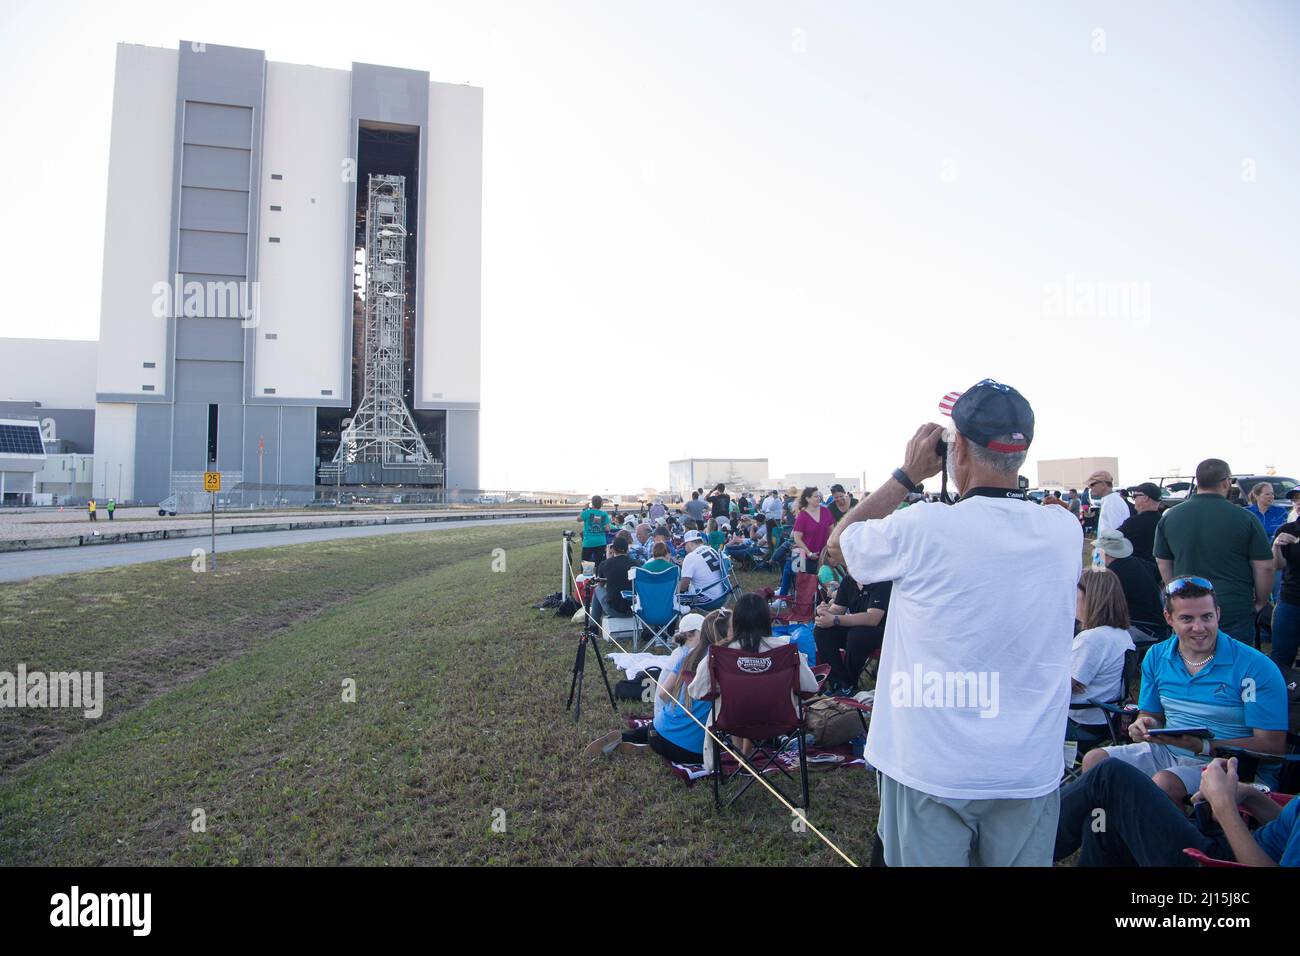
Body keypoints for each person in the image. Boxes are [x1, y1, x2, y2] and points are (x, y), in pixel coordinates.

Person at [825, 379, 1082, 866]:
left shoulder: (923, 527)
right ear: (1023, 451)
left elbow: (839, 543)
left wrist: (906, 475)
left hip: (930, 764)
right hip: (1026, 765)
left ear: (956, 447)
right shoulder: (1063, 531)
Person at [1077, 577, 1288, 805]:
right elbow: (1151, 715)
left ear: (1217, 613)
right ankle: (1111, 833)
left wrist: (1205, 746)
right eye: (1187, 618)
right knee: (1096, 760)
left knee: (1165, 782)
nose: (1199, 628)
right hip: (1167, 752)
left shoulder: (1254, 666)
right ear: (1169, 618)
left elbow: (1272, 746)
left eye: (1206, 617)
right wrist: (1143, 726)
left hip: (1228, 763)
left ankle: (1174, 840)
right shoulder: (1157, 656)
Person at [1055, 756, 1300, 866]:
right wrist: (1249, 795)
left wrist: (1224, 807)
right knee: (1105, 815)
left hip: (1217, 861)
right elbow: (1291, 827)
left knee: (1110, 777)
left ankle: (1025, 850)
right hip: (1232, 847)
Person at [687, 594, 819, 770]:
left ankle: (738, 757)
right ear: (767, 620)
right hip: (780, 721)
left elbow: (697, 691)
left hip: (731, 721)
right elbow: (811, 687)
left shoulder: (719, 654)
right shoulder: (786, 651)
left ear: (735, 623)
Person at [1153, 459, 1273, 647]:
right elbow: (1264, 567)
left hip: (1187, 607)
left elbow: (1163, 562)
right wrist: (1261, 601)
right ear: (1226, 482)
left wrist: (1176, 591)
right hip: (1234, 605)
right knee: (1236, 666)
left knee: (1191, 662)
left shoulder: (1170, 517)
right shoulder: (1245, 517)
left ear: (1198, 481)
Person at [584, 612, 714, 763]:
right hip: (689, 746)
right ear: (694, 635)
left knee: (658, 731)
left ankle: (627, 737)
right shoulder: (700, 659)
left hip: (662, 723)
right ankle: (647, 744)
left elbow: (663, 694)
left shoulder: (681, 654)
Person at [1067, 569, 1136, 747]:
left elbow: (1061, 688)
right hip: (1104, 720)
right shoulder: (1121, 635)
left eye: (1076, 593)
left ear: (1090, 598)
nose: (1072, 599)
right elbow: (1072, 684)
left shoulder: (1091, 639)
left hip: (1080, 723)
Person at [813, 571, 891, 697]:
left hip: (884, 633)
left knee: (857, 635)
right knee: (821, 630)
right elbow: (838, 609)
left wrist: (834, 619)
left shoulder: (881, 581)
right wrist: (824, 613)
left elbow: (873, 619)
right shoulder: (849, 580)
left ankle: (849, 683)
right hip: (856, 631)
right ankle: (840, 683)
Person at [1092, 529, 1165, 638]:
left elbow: (1096, 602)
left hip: (1141, 628)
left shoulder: (1111, 574)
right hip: (1159, 626)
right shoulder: (1138, 562)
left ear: (1103, 552)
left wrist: (1097, 562)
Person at [1268, 487, 1300, 669]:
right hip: (1291, 600)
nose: (1298, 503)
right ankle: (1282, 694)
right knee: (1281, 657)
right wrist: (1277, 546)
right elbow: (1278, 565)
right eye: (1296, 500)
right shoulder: (1288, 529)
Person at [1247, 481, 1289, 607]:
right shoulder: (1246, 513)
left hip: (1275, 559)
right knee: (1252, 595)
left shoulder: (1281, 512)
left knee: (1278, 595)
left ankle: (1275, 619)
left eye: (1272, 494)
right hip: (1252, 559)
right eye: (1267, 494)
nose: (1271, 497)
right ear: (1256, 495)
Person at [591, 535, 636, 631]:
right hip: (634, 608)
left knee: (597, 590)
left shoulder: (605, 564)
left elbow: (600, 585)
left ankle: (593, 626)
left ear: (613, 550)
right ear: (627, 550)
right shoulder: (635, 564)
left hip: (614, 609)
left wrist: (608, 557)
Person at [1086, 470, 1132, 560]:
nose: (1090, 488)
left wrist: (1102, 560)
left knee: (1101, 573)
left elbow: (1116, 535)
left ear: (1103, 484)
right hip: (1105, 551)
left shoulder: (1112, 503)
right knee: (1098, 573)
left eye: (1092, 484)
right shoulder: (1110, 500)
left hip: (1109, 555)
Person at [678, 530, 727, 610]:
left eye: (685, 545)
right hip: (723, 594)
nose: (685, 548)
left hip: (709, 600)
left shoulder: (690, 557)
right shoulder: (710, 549)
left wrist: (678, 590)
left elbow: (684, 586)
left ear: (690, 543)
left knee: (675, 598)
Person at [1118, 482, 1163, 567]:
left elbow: (1111, 540)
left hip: (1138, 570)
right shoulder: (1163, 521)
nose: (1134, 499)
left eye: (1135, 496)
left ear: (1145, 498)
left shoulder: (1133, 523)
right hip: (1160, 572)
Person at [791, 487, 834, 575]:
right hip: (807, 557)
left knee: (824, 582)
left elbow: (832, 532)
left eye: (819, 496)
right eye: (815, 496)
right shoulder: (802, 516)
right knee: (808, 583)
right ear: (807, 498)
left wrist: (829, 549)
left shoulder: (825, 511)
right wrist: (809, 553)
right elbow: (797, 538)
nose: (819, 498)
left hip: (824, 556)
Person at [578, 496, 613, 568]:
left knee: (585, 563)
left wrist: (585, 508)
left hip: (588, 542)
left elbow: (578, 519)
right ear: (601, 504)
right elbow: (607, 529)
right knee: (599, 564)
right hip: (600, 542)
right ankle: (598, 577)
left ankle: (585, 577)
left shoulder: (587, 512)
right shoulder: (604, 514)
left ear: (592, 503)